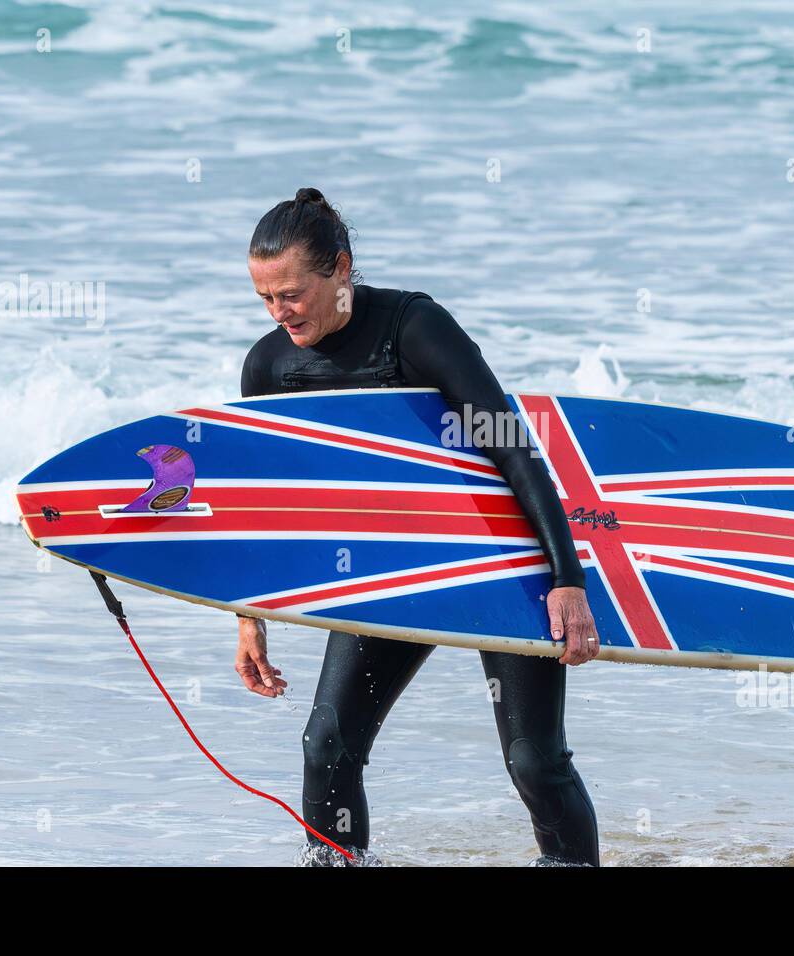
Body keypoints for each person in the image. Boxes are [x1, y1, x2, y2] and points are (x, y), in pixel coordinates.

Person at [234, 187, 601, 866]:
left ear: (339, 268)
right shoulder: (270, 367)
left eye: (290, 293)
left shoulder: (414, 327)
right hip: (392, 568)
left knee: (533, 762)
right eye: (264, 299)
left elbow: (512, 447)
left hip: (500, 558)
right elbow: (268, 504)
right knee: (327, 745)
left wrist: (566, 579)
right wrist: (249, 617)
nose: (279, 312)